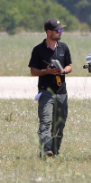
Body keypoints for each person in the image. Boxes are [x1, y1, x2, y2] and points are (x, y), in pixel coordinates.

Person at [28, 18, 72, 158]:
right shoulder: (38, 50)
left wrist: (64, 70)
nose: (61, 32)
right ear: (48, 32)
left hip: (61, 92)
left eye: (61, 30)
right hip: (46, 92)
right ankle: (46, 150)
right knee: (45, 122)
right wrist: (46, 71)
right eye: (58, 30)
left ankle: (55, 151)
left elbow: (70, 66)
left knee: (59, 124)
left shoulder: (64, 47)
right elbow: (33, 71)